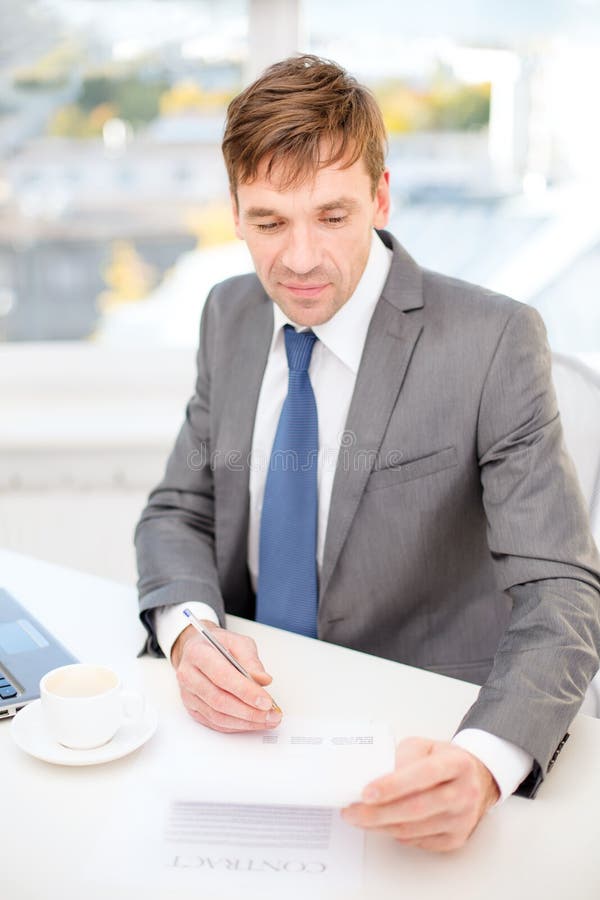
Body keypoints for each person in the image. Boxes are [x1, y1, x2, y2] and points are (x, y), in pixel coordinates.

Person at [135, 54, 600, 852]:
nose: (302, 259)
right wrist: (188, 632)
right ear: (236, 213)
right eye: (270, 221)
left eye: (334, 216)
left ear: (381, 198)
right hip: (247, 732)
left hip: (423, 730)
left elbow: (562, 597)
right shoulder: (230, 314)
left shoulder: (494, 342)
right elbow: (180, 508)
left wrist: (484, 762)